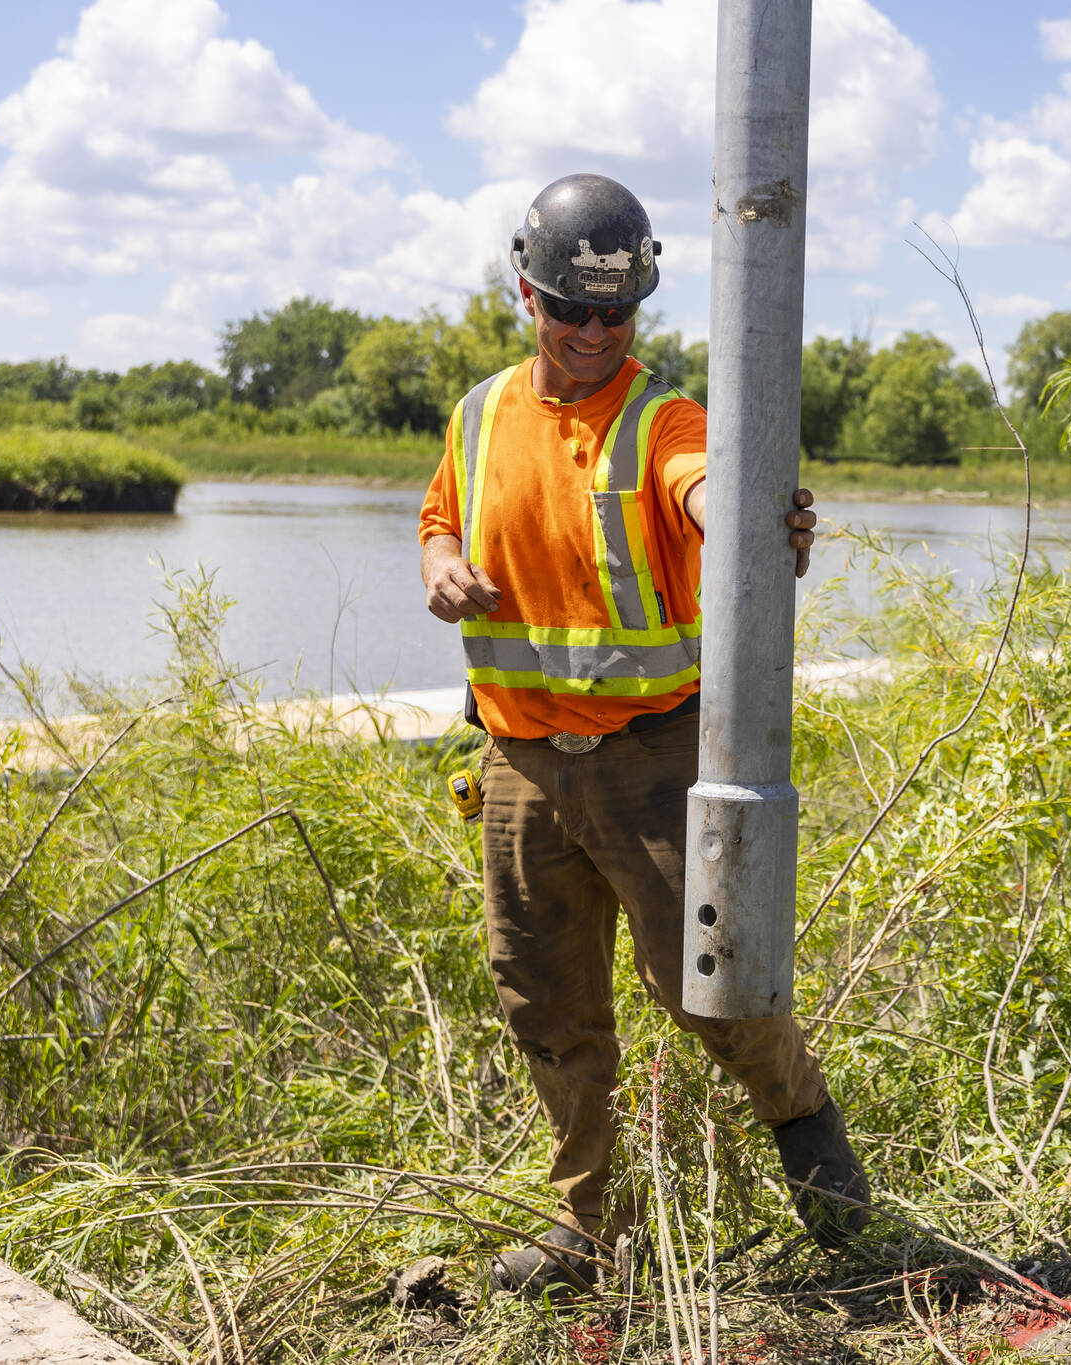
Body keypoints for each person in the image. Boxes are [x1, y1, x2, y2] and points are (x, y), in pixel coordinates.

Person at [417, 172, 869, 1295]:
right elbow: (438, 516)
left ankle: (804, 1124)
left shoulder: (663, 419)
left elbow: (703, 482)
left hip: (653, 762)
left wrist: (755, 521)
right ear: (526, 292)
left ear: (638, 308)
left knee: (711, 985)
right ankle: (583, 1232)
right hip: (519, 764)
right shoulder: (478, 416)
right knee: (546, 1004)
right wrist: (438, 565)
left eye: (613, 312)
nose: (589, 332)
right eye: (568, 308)